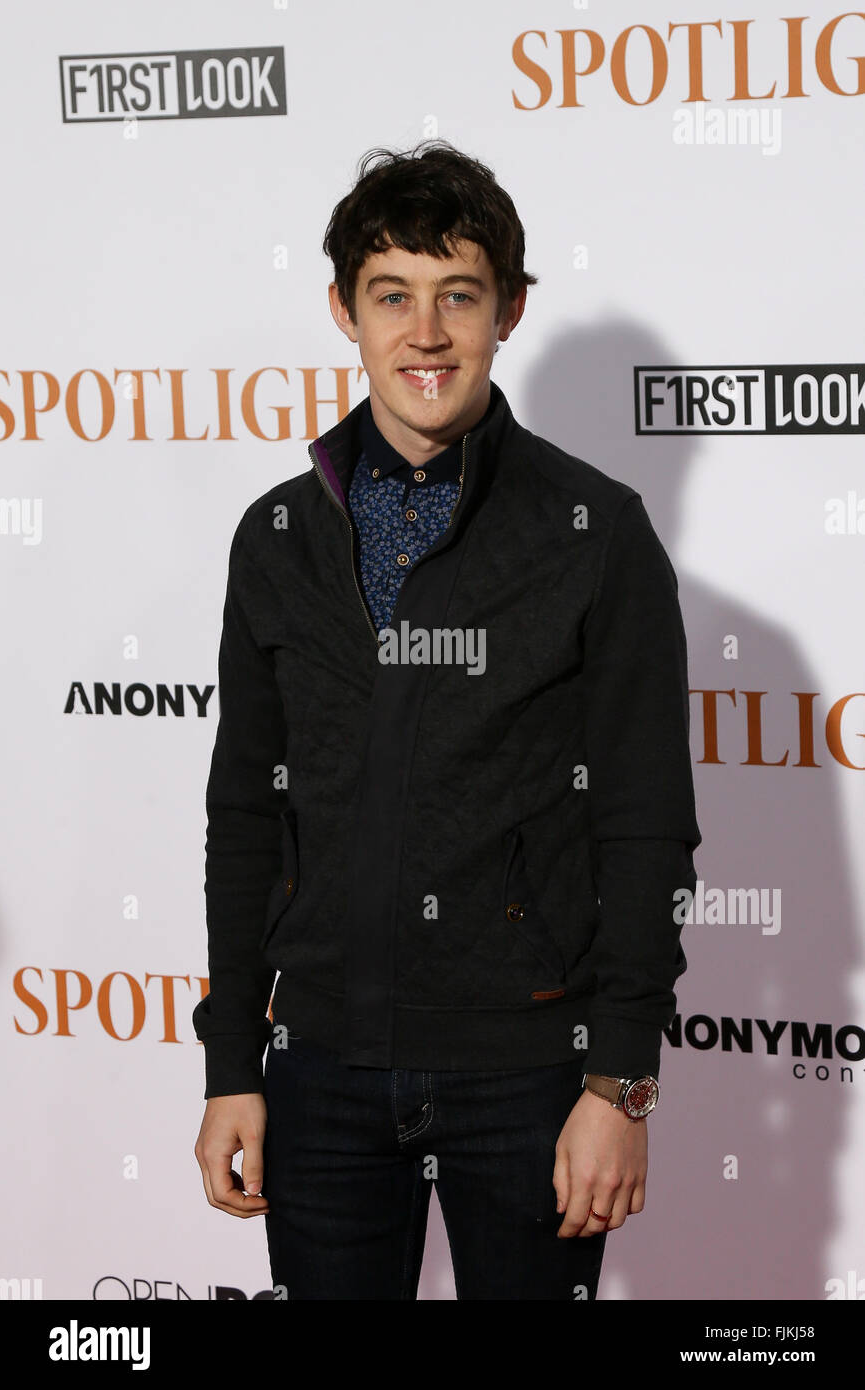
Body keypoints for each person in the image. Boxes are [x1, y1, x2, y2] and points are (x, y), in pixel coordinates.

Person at [193, 140, 701, 1301]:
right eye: (391, 296)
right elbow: (244, 814)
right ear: (343, 310)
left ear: (507, 310)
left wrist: (618, 1084)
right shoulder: (276, 537)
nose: (424, 334)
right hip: (316, 1070)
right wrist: (232, 1064)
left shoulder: (593, 533)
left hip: (530, 1077)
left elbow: (643, 827)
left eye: (457, 296)